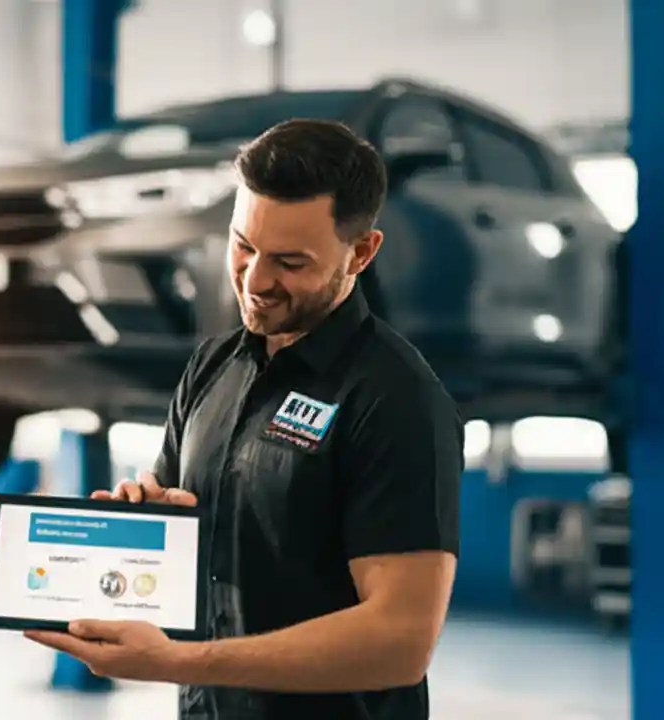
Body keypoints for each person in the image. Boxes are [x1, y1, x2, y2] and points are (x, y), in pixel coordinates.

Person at [27, 119, 462, 720]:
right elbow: (173, 541)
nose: (255, 281)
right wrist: (142, 525)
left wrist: (182, 662)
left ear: (361, 252)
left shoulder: (396, 398)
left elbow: (400, 641)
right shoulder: (211, 367)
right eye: (243, 246)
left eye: (289, 262)